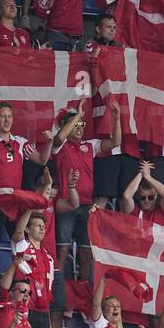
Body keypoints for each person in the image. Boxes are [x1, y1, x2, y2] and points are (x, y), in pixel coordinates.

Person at [0, 102, 53, 278]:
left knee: (19, 241)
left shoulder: (20, 142)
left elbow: (41, 159)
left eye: (9, 116)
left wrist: (49, 142)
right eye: (3, 116)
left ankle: (19, 282)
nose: (7, 120)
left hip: (16, 201)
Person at [50, 107, 116, 278]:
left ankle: (83, 293)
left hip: (87, 206)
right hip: (66, 205)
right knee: (62, 251)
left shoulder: (90, 145)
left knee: (86, 254)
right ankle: (59, 292)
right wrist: (78, 114)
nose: (79, 128)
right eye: (75, 125)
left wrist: (116, 120)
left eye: (82, 124)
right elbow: (58, 138)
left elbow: (115, 142)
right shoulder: (60, 146)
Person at [120, 159, 164, 226]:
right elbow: (126, 197)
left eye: (151, 197)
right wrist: (141, 173)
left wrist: (148, 177)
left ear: (156, 195)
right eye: (143, 198)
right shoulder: (134, 211)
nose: (146, 200)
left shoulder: (163, 212)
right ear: (138, 195)